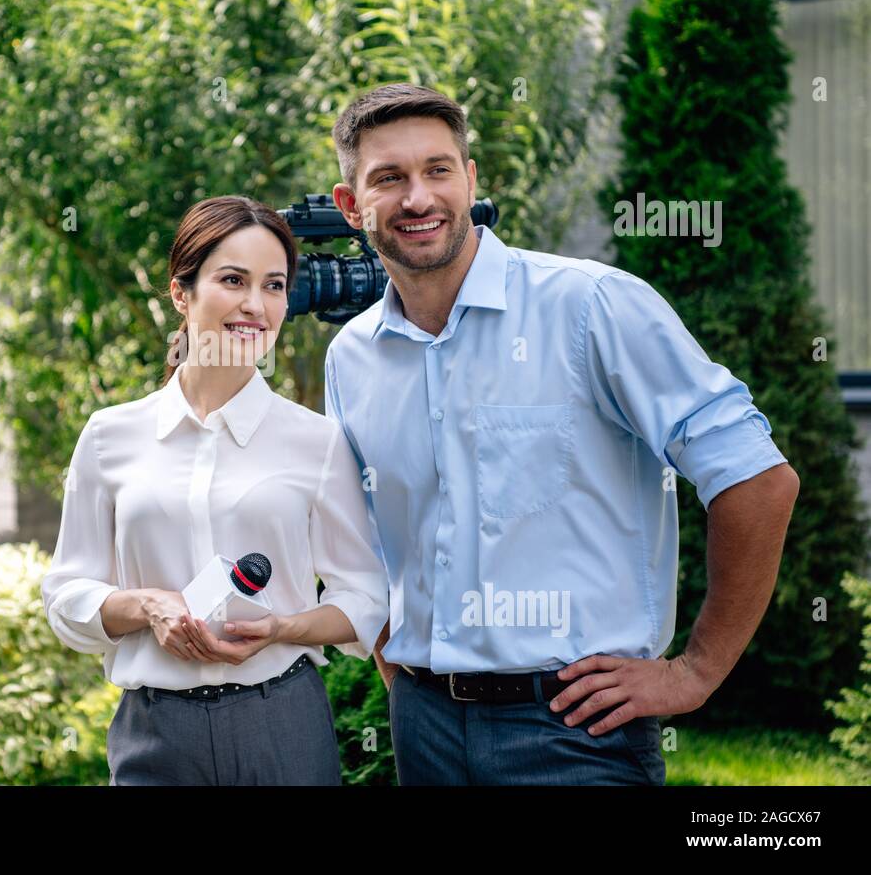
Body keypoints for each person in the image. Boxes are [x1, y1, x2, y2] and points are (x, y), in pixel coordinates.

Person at [324, 83, 800, 785]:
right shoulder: (354, 356)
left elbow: (757, 477)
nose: (418, 198)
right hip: (423, 728)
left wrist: (695, 670)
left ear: (470, 179)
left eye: (438, 170)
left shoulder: (592, 307)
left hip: (575, 734)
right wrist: (401, 666)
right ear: (350, 205)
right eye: (389, 178)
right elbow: (362, 537)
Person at [41, 195, 389, 786]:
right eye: (233, 280)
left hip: (281, 722)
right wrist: (148, 606)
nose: (256, 305)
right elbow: (66, 596)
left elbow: (365, 596)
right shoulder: (110, 437)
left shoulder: (317, 441)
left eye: (274, 286)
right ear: (182, 293)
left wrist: (282, 627)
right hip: (155, 734)